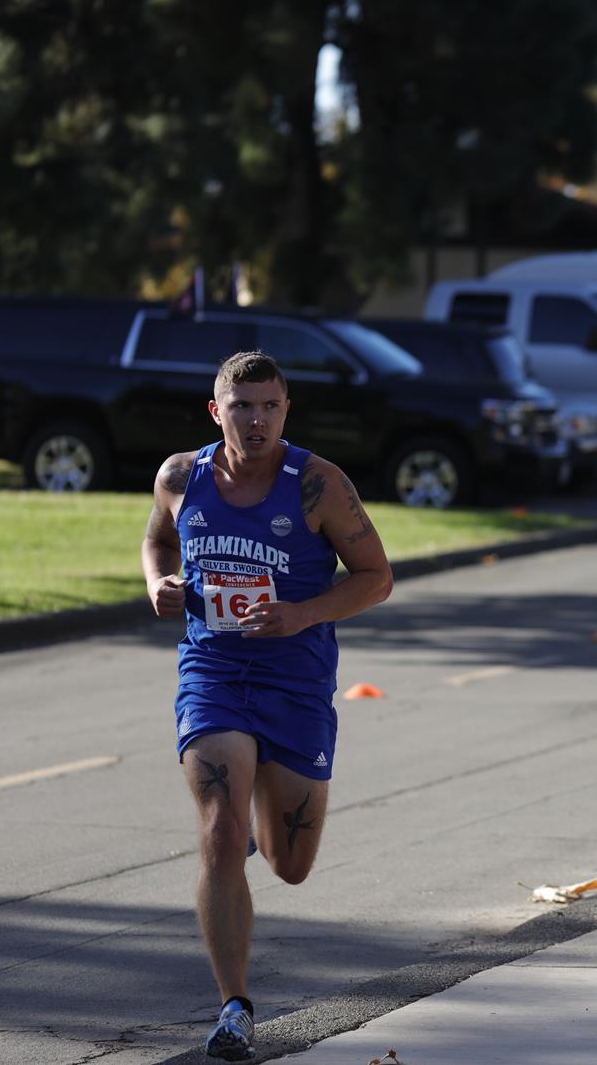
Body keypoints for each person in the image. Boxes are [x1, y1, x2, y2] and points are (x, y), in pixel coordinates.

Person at [141, 351, 393, 1061]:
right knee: (220, 833)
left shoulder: (317, 484)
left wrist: (304, 612)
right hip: (213, 671)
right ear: (215, 410)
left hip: (296, 681)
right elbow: (158, 535)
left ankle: (260, 819)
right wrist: (160, 577)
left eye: (270, 406)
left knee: (289, 864)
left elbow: (376, 578)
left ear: (286, 411)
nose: (256, 419)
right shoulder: (181, 477)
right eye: (242, 405)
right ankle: (233, 1006)